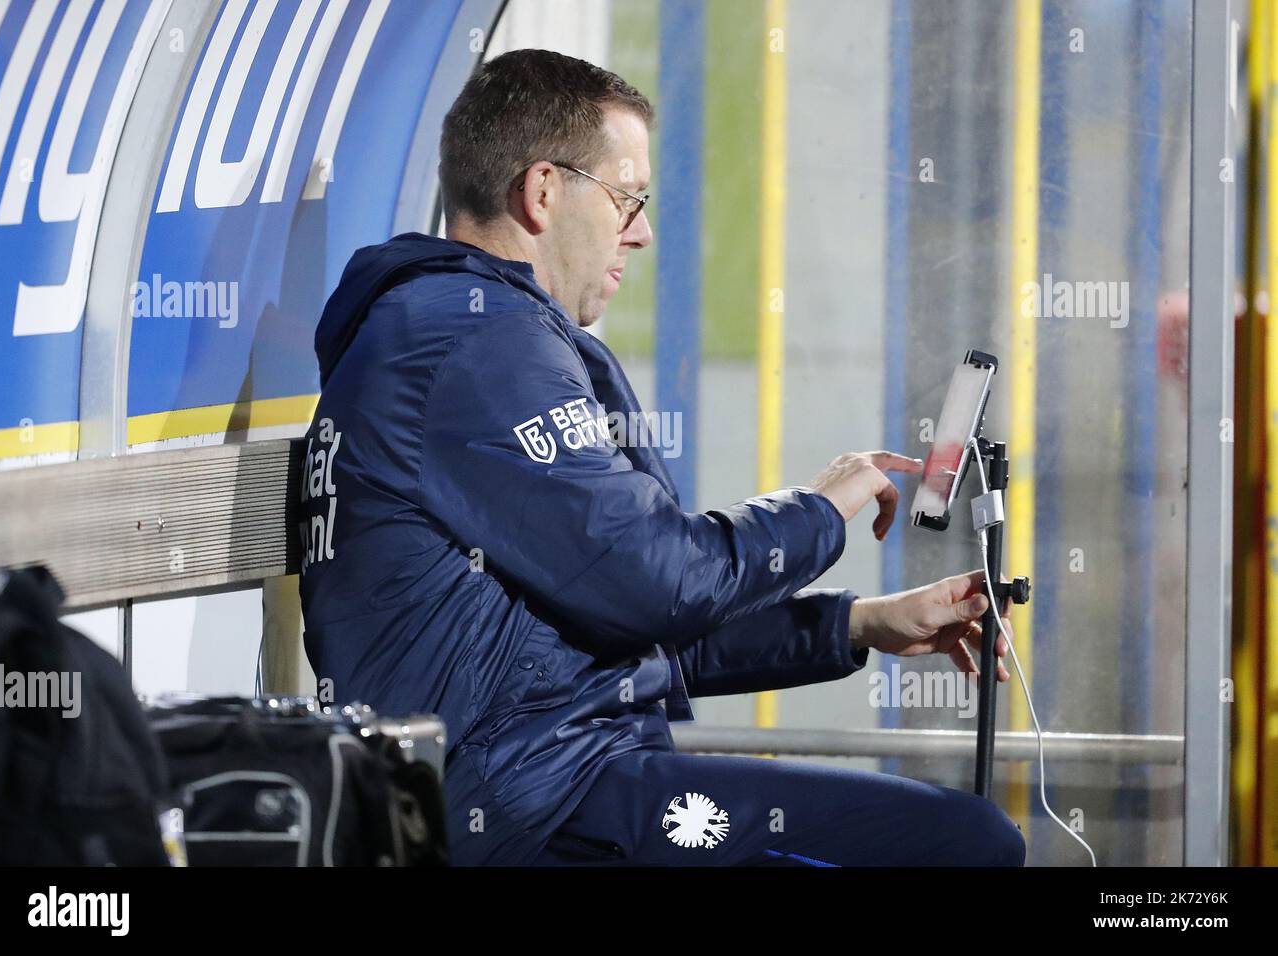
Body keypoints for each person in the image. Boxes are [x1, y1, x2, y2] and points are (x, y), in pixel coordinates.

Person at [298, 48, 1025, 867]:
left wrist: (854, 624)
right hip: (526, 808)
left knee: (957, 839)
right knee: (960, 844)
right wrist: (820, 510)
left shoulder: (467, 330)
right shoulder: (475, 339)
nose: (640, 231)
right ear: (542, 192)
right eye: (626, 197)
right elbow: (659, 583)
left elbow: (635, 614)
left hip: (563, 780)